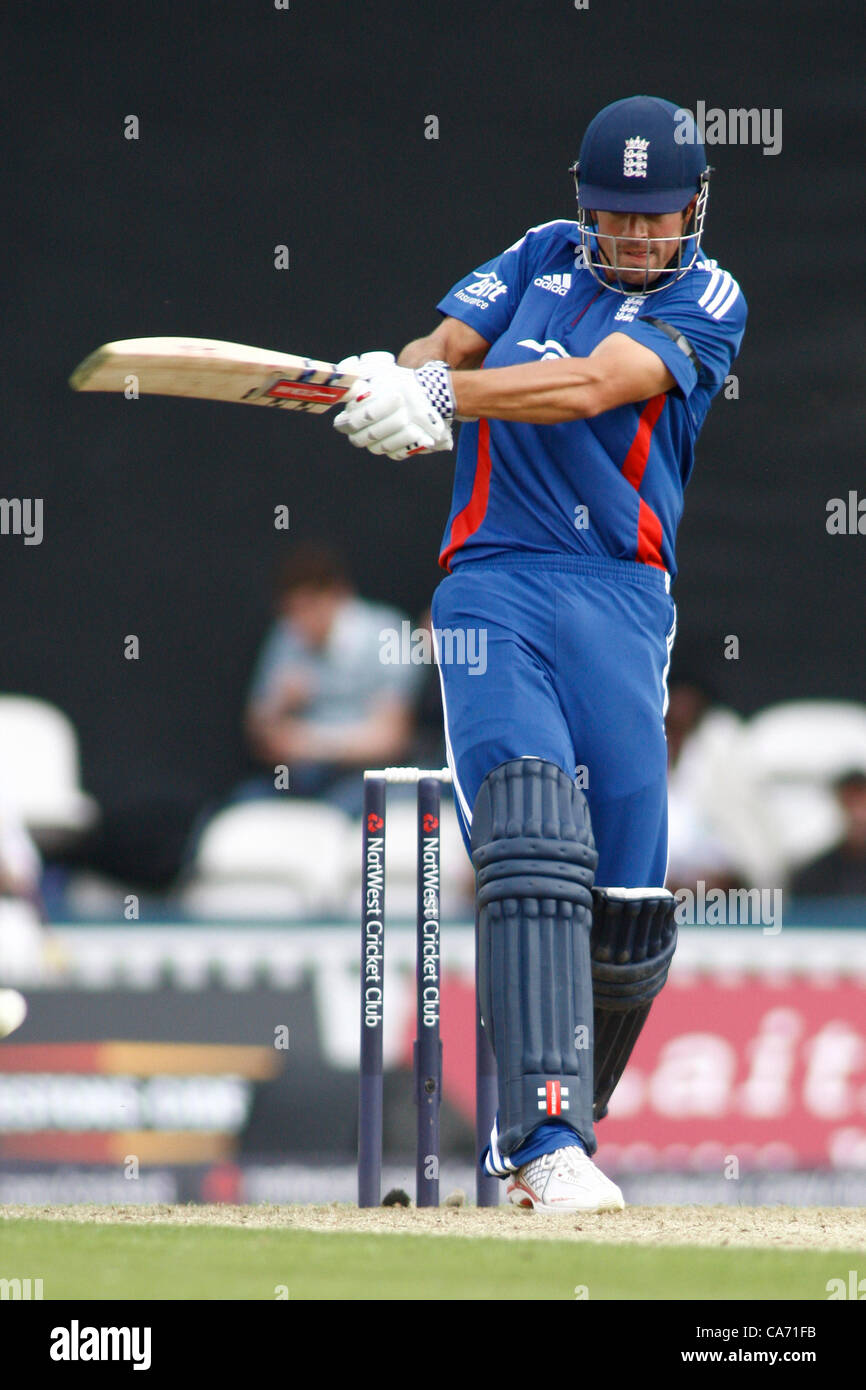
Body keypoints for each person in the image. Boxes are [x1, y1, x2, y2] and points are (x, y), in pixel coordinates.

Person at [334, 95, 747, 1211]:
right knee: (527, 835)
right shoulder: (534, 257)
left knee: (624, 904)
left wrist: (437, 394)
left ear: (693, 208)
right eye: (616, 217)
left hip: (620, 601)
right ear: (582, 206)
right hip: (493, 583)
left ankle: (555, 1125)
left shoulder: (706, 298)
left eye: (657, 218)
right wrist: (399, 381)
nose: (635, 239)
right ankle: (540, 1138)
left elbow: (586, 386)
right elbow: (443, 347)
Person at [244, 543, 420, 815]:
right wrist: (278, 705)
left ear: (338, 595)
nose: (303, 621)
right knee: (240, 807)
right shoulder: (286, 636)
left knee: (329, 819)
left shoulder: (386, 634)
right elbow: (259, 732)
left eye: (310, 607)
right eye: (293, 612)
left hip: (366, 779)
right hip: (300, 779)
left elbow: (391, 739)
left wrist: (309, 744)